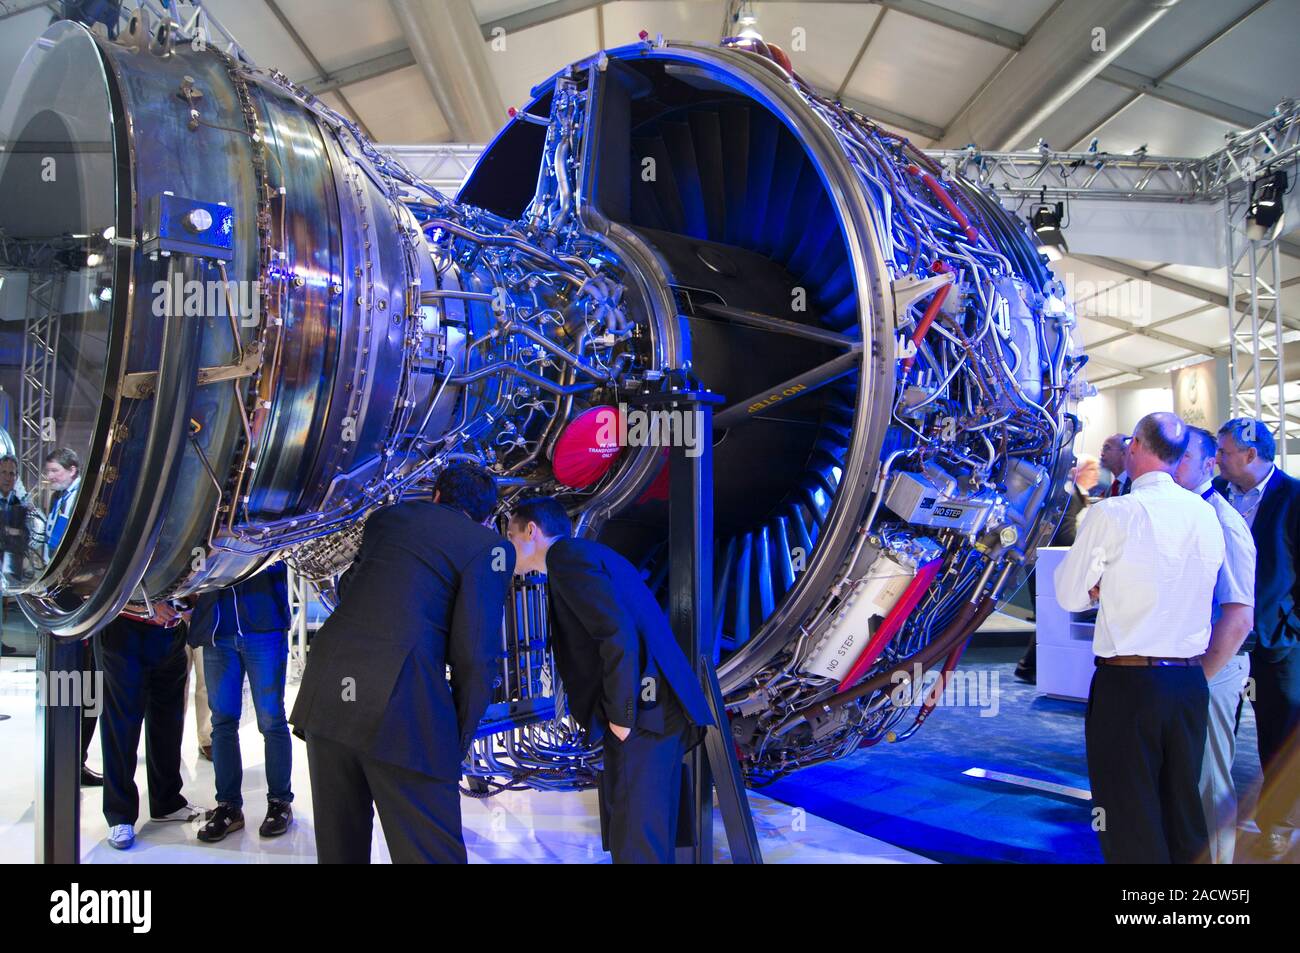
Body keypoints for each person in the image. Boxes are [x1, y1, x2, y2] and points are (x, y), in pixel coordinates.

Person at [290, 463, 514, 863]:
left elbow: (350, 588)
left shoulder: (388, 520)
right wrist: (457, 735)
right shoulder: (489, 547)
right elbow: (478, 657)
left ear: (437, 495)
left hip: (326, 694)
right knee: (430, 852)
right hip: (404, 711)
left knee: (340, 848)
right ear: (486, 516)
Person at [1055, 412, 1226, 864]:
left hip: (1129, 683)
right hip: (1189, 683)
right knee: (1183, 809)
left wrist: (1099, 587)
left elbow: (1069, 594)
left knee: (1127, 813)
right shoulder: (1206, 515)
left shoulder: (1115, 512)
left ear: (1135, 448)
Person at [506, 497, 714, 864]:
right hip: (656, 712)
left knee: (637, 839)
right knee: (646, 833)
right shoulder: (583, 555)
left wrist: (622, 717)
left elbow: (617, 636)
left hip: (643, 716)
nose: (508, 548)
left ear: (531, 531)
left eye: (510, 535)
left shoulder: (567, 559)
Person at [1214, 417, 1300, 860]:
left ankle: (1278, 825)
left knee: (1280, 736)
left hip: (1275, 641)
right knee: (1215, 732)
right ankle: (1210, 817)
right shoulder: (1215, 492)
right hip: (1220, 637)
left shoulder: (1294, 495)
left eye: (1224, 451)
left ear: (1250, 454)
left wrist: (1291, 624)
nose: (1217, 459)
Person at [1173, 426, 1255, 864]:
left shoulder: (1224, 520)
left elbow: (1239, 617)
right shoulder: (1177, 514)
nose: (1171, 465)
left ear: (1209, 464)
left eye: (1182, 457)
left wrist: (1199, 679)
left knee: (1208, 783)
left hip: (1210, 669)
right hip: (1177, 670)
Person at [189, 562, 294, 843]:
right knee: (222, 722)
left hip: (264, 624)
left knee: (271, 720)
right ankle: (228, 807)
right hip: (217, 629)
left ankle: (280, 802)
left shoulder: (266, 518)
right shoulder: (208, 521)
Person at [98, 600, 204, 850]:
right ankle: (119, 815)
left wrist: (188, 605)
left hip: (171, 633)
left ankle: (167, 801)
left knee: (168, 724)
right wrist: (144, 607)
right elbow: (100, 583)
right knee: (121, 726)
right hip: (124, 631)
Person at [1017, 455, 1099, 683]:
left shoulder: (1074, 495)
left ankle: (1030, 666)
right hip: (1051, 565)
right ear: (1083, 472)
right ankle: (1029, 666)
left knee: (1049, 616)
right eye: (1093, 470)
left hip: (1044, 563)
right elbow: (1065, 534)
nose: (1096, 475)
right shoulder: (1072, 496)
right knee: (1051, 616)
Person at [42, 448, 80, 561]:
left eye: (54, 470)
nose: (49, 477)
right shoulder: (59, 495)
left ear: (72, 471)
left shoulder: (78, 497)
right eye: (47, 471)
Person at [1098, 433, 1131, 498]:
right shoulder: (1108, 491)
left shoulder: (1136, 485)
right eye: (1103, 449)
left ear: (1124, 452)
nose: (1102, 454)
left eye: (1107, 448)